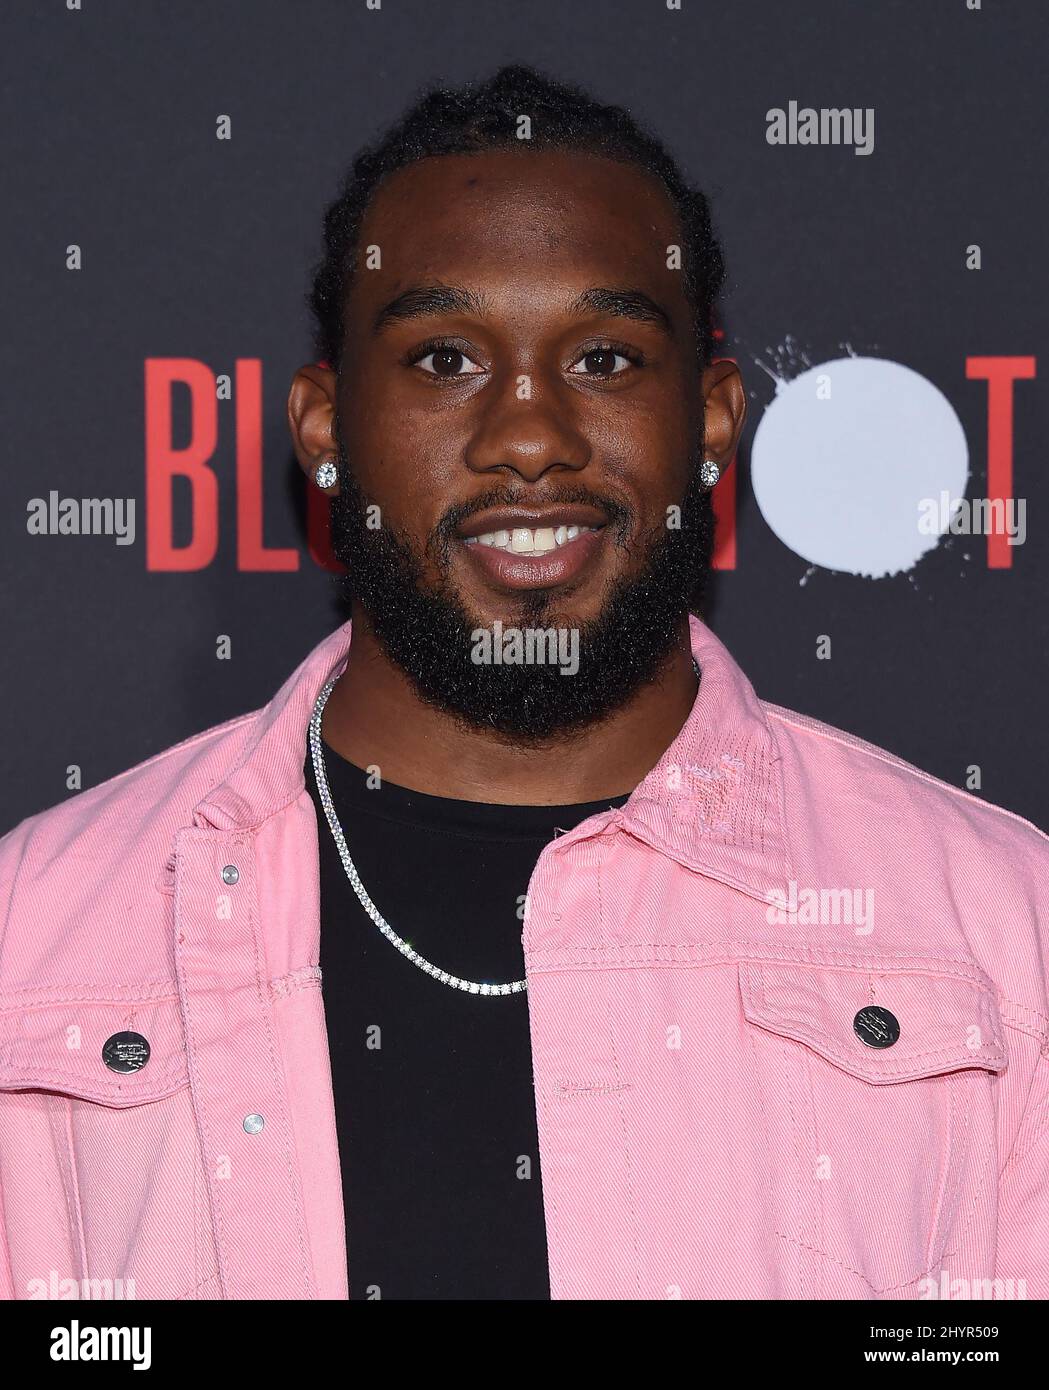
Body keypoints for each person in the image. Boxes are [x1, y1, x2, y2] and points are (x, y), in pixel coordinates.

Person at [1, 64, 1046, 1303]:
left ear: (710, 421)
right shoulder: (42, 931)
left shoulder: (995, 927)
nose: (528, 433)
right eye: (444, 359)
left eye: (603, 357)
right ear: (325, 429)